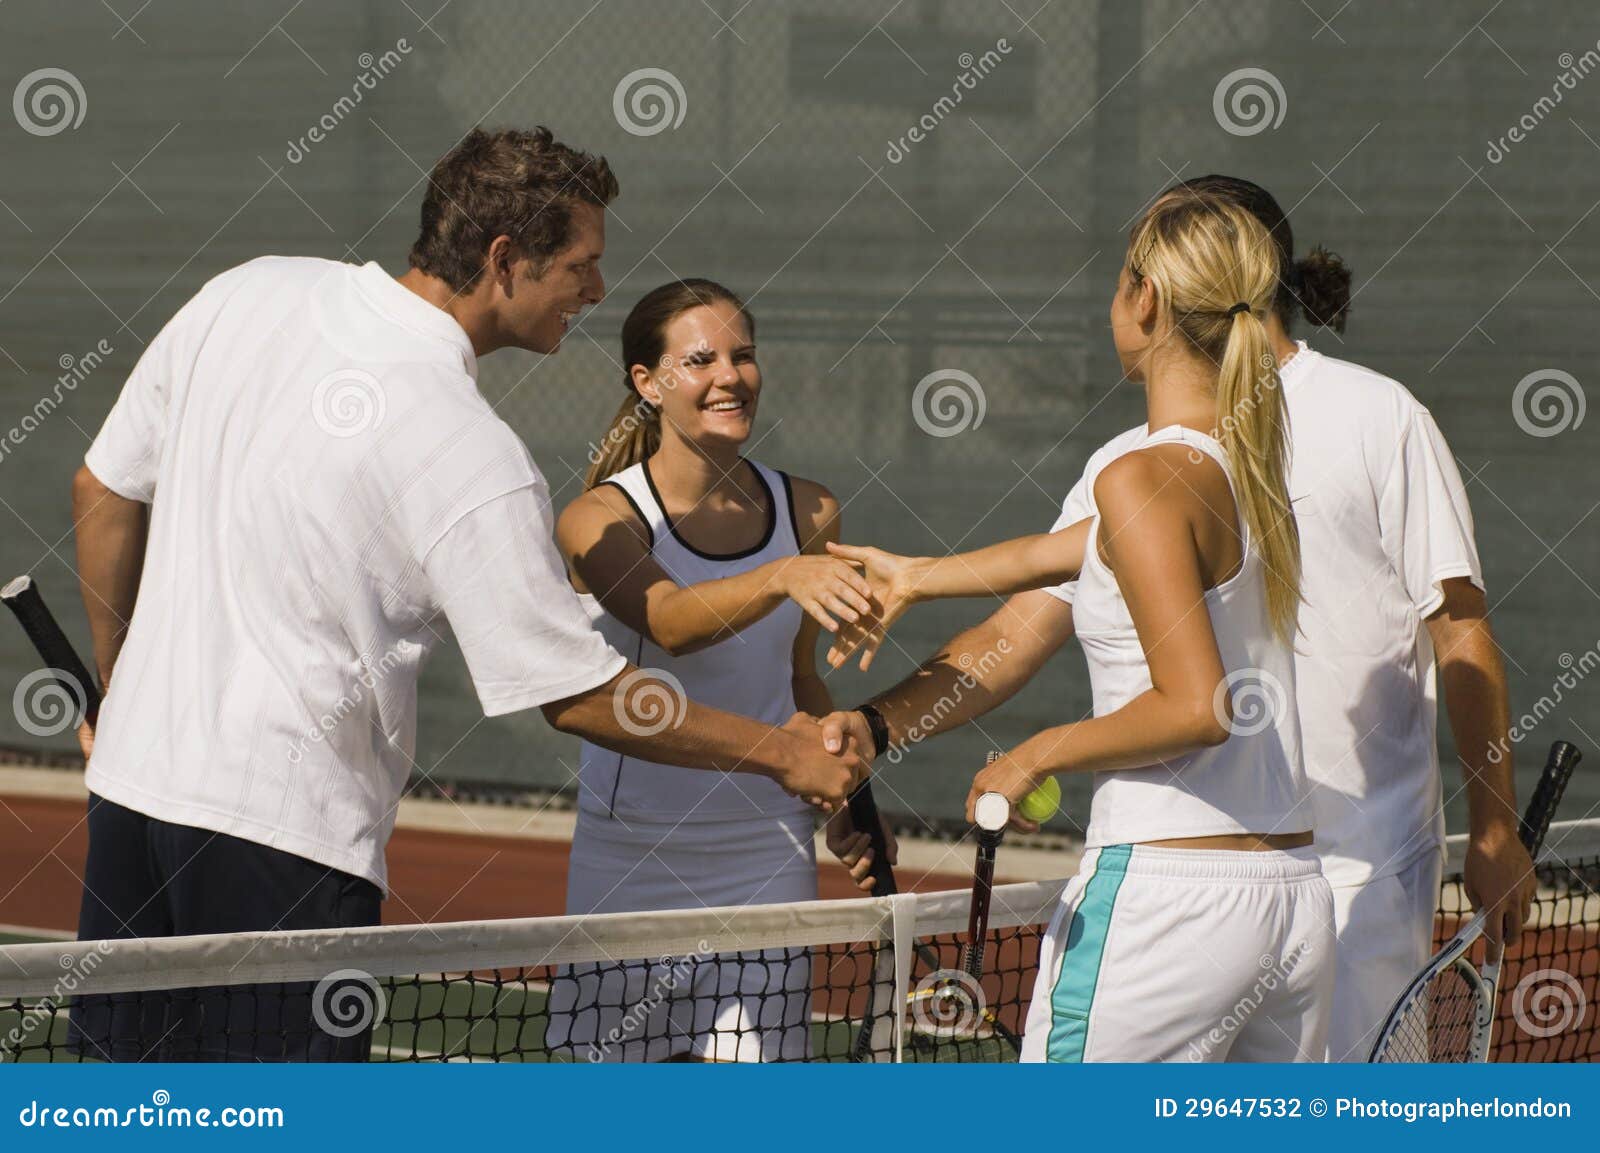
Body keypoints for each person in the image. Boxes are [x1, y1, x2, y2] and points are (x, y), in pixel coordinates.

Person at [67, 127, 863, 1062]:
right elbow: (575, 692)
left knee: (122, 1108)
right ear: (504, 260)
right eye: (582, 265)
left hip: (130, 795)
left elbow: (103, 489)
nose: (597, 292)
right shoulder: (472, 453)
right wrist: (783, 752)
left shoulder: (244, 289)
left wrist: (118, 685)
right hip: (288, 840)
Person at [822, 175, 1531, 1062]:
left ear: (1148, 299)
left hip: (1201, 890)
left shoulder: (1312, 430)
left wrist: (1033, 752)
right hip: (1291, 891)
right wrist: (915, 582)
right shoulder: (1246, 467)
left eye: (1121, 275)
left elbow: (1197, 703)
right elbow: (1070, 561)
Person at [543, 278, 881, 1061]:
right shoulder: (599, 517)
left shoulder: (812, 510)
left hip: (768, 850)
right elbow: (669, 620)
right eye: (700, 359)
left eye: (744, 354)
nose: (730, 374)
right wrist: (781, 576)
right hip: (630, 857)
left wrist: (842, 780)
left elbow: (797, 679)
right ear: (648, 382)